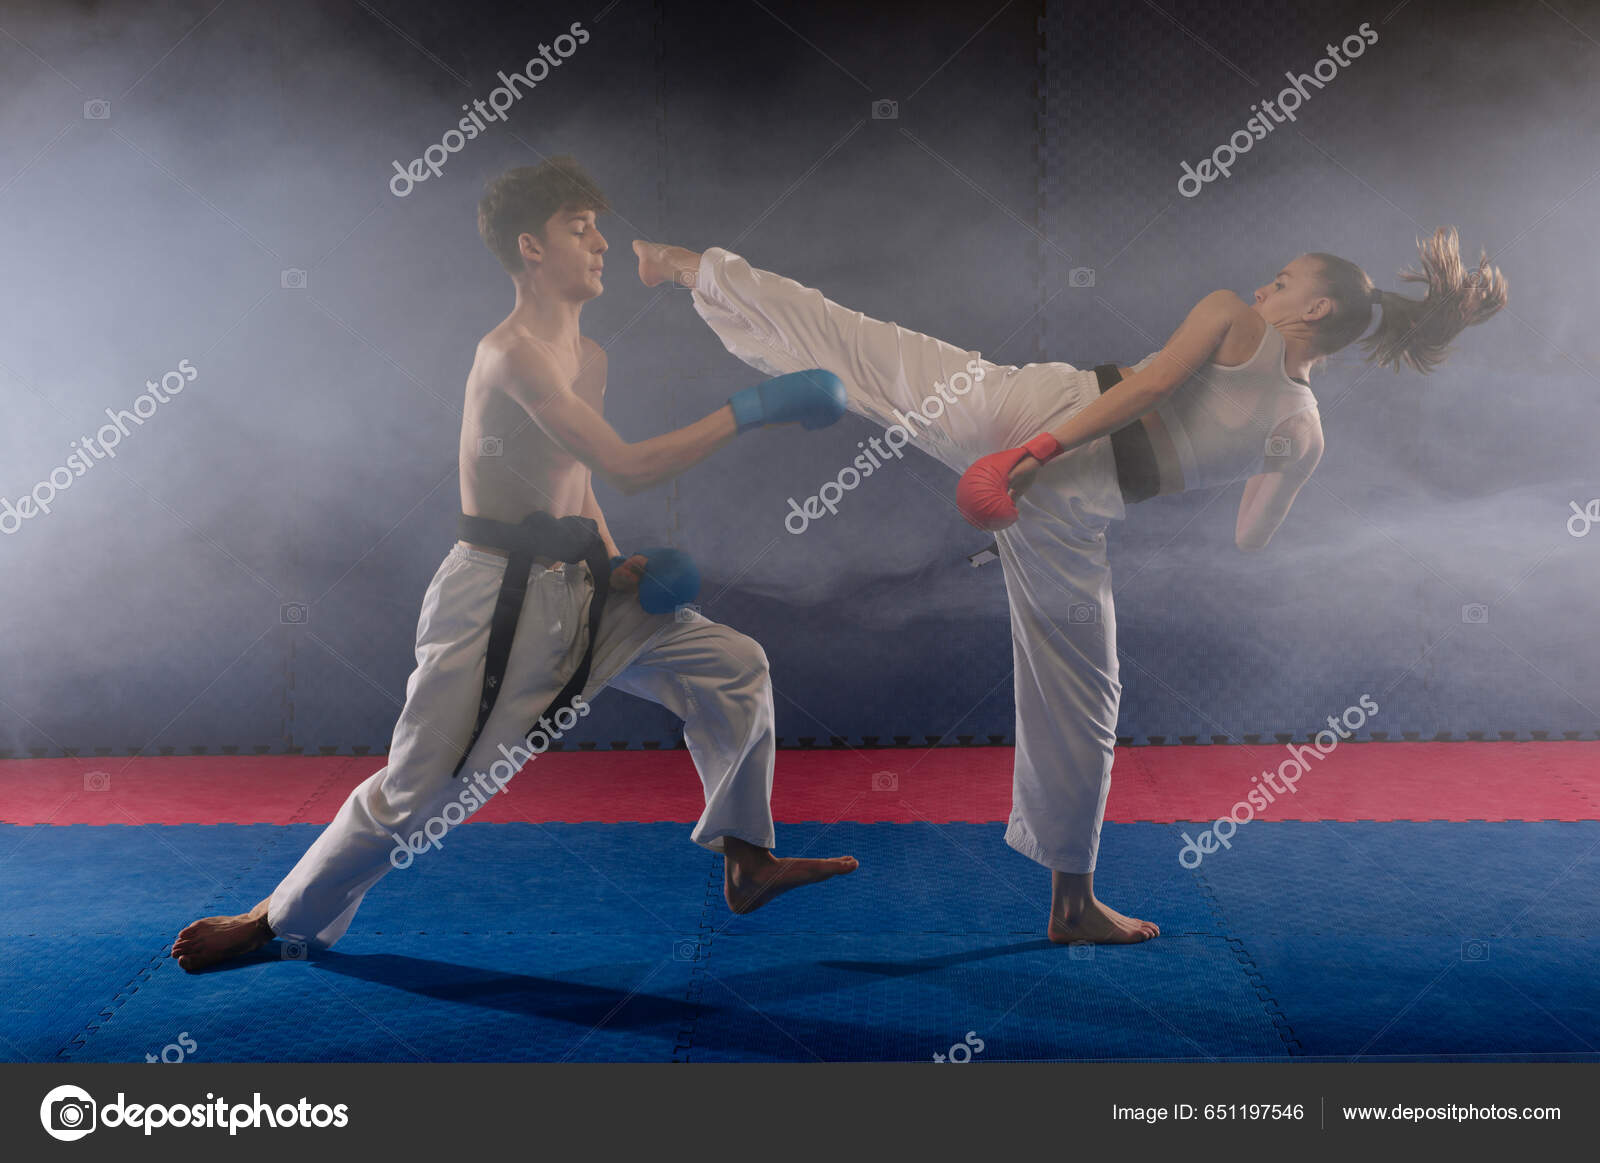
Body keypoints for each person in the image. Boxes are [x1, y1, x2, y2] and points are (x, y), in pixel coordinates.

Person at [634, 227, 1506, 944]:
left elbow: (1157, 384)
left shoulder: (1234, 318)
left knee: (857, 344)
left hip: (1037, 434)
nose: (1262, 285)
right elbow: (1249, 537)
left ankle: (682, 265)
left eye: (1282, 280)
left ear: (1312, 306)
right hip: (1068, 489)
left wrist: (1027, 454)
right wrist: (1251, 460)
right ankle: (1072, 902)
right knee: (1084, 697)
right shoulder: (1306, 432)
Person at [172, 158, 856, 972]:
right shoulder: (514, 353)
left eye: (598, 225)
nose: (601, 243)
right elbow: (632, 464)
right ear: (531, 247)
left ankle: (747, 858)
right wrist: (758, 407)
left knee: (733, 663)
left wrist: (613, 561)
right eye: (581, 227)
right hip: (496, 601)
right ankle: (275, 917)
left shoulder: (588, 353)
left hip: (585, 588)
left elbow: (582, 478)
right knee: (421, 790)